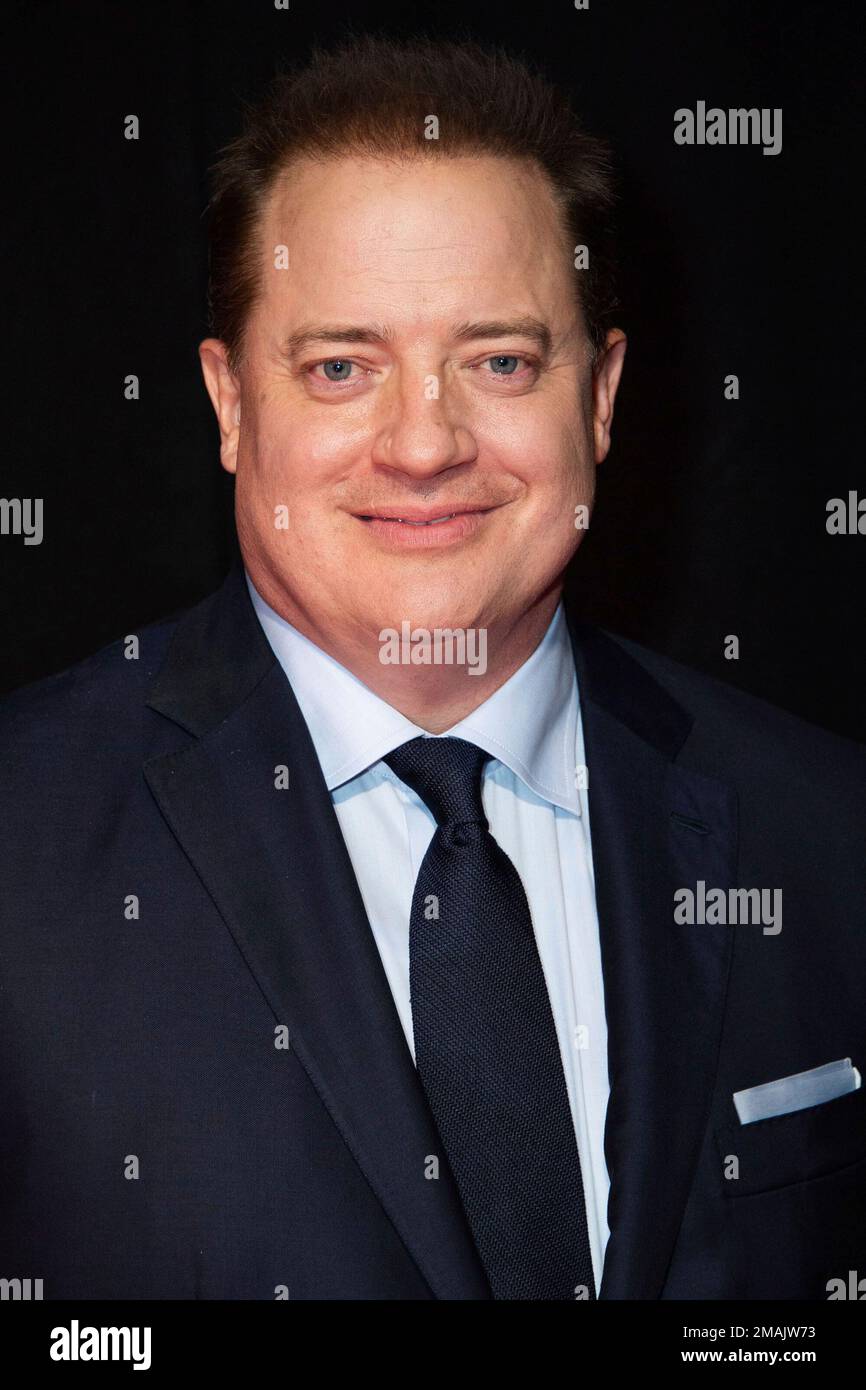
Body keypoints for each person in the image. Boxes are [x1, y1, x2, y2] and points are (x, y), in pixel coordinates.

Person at [1, 34, 864, 1301]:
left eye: (498, 362)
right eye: (342, 367)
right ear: (231, 403)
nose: (422, 445)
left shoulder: (831, 833)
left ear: (602, 397)